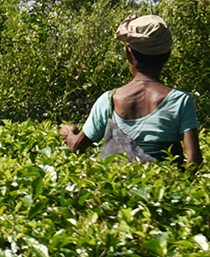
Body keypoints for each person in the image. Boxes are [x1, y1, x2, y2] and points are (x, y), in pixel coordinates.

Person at [58, 14, 201, 166]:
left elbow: (77, 147)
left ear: (128, 54)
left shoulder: (109, 100)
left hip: (119, 182)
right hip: (166, 181)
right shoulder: (181, 100)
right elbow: (194, 160)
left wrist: (69, 133)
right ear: (167, 56)